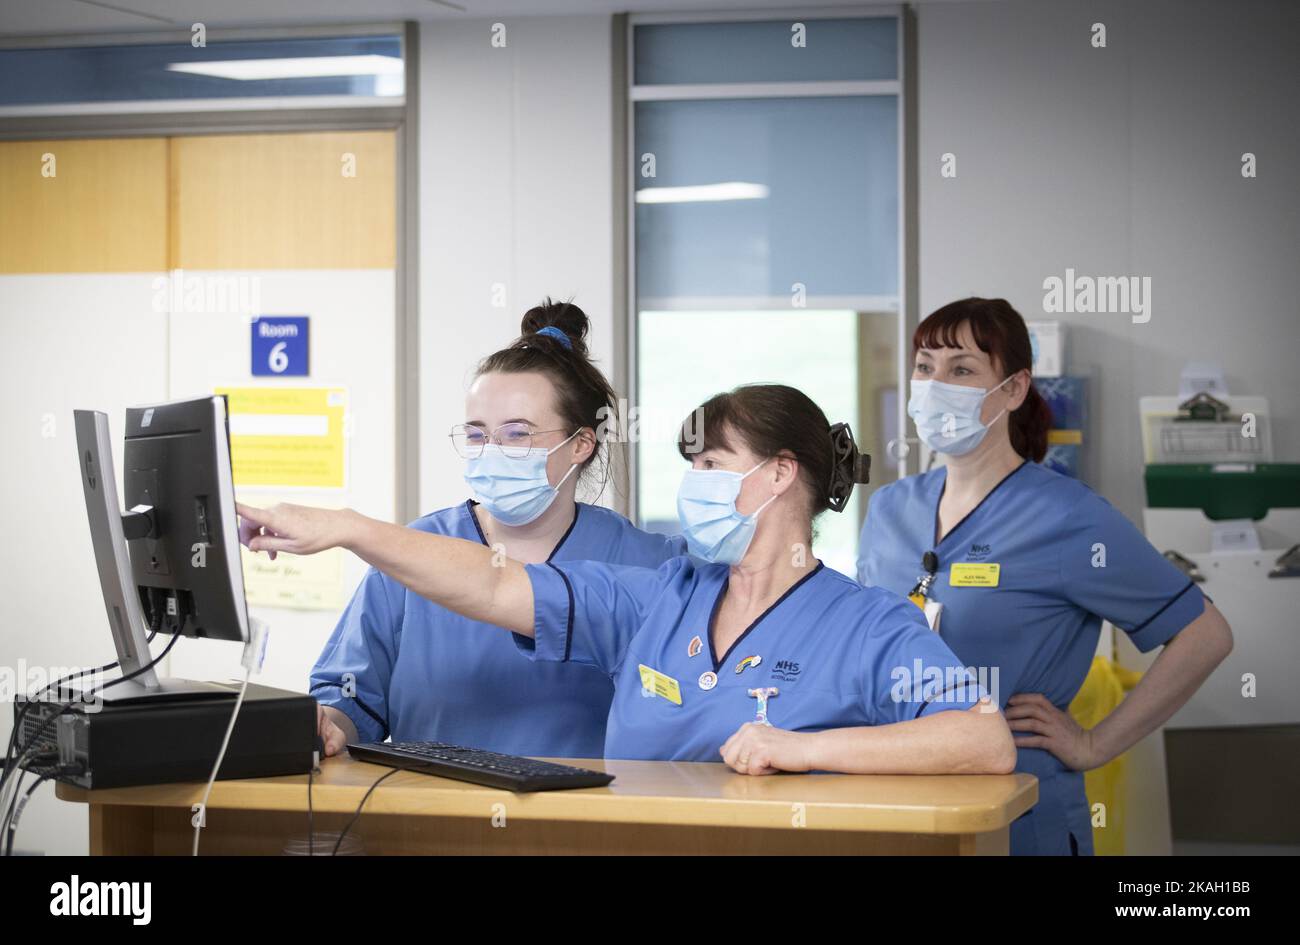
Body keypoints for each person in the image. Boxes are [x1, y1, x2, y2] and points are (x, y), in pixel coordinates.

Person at [238, 384, 1016, 777]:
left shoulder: (868, 624)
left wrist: (808, 749)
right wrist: (348, 527)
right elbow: (493, 583)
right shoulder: (659, 594)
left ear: (781, 474)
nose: (695, 484)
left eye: (712, 465)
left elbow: (983, 738)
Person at [856, 297, 1233, 854]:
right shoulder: (888, 510)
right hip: (896, 799)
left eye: (961, 369)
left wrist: (1094, 745)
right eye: (924, 367)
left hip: (1019, 813)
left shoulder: (1068, 517)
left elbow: (1206, 635)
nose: (936, 385)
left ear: (1012, 389)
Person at [275, 300, 685, 759]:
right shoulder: (411, 555)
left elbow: (689, 706)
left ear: (581, 445)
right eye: (475, 434)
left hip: (584, 821)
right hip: (429, 815)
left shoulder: (649, 562)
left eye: (516, 434)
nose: (491, 451)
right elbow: (351, 700)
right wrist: (329, 726)